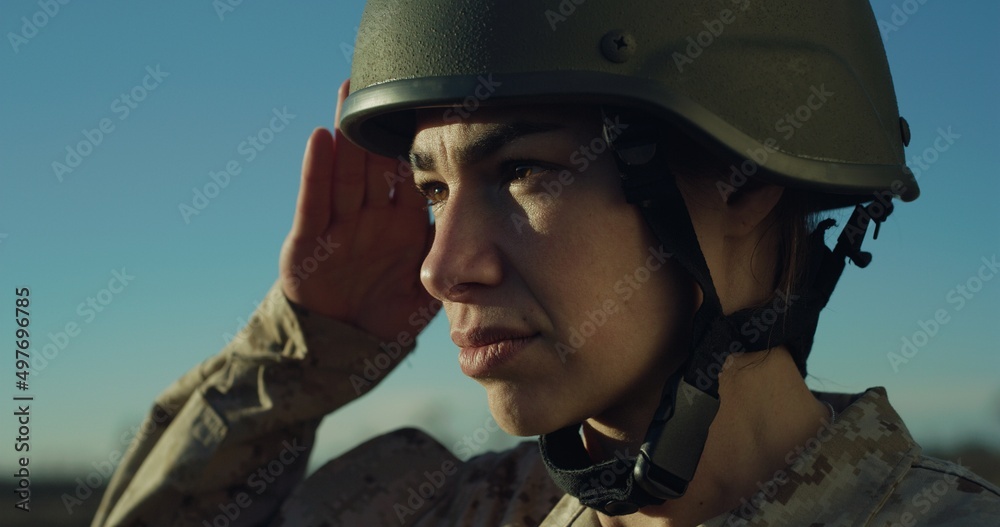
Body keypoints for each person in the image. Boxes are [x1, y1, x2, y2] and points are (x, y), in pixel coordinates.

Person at [93, 1, 1000, 526]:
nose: (441, 269)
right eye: (435, 191)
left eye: (520, 171)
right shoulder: (461, 508)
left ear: (740, 177)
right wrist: (305, 348)